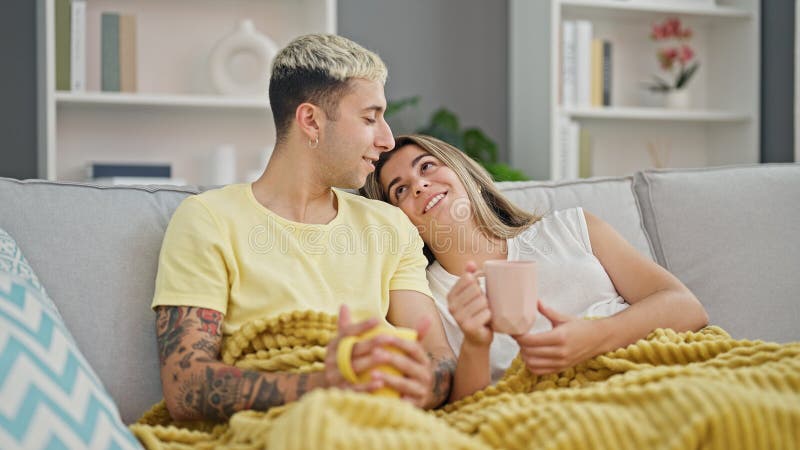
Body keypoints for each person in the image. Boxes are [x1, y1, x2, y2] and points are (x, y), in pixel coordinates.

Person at [152, 36, 456, 422]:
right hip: (283, 428)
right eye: (369, 118)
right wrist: (326, 386)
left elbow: (439, 357)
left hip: (387, 419)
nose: (387, 139)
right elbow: (186, 388)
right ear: (311, 121)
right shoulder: (208, 219)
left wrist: (422, 385)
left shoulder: (390, 225)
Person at [361, 134, 709, 401]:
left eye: (427, 167)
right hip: (559, 406)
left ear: (464, 172)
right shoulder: (423, 298)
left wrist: (595, 337)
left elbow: (687, 308)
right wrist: (476, 344)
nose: (419, 185)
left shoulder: (573, 227)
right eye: (400, 190)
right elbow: (463, 406)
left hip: (656, 370)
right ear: (399, 220)